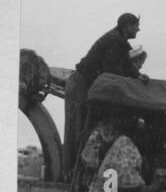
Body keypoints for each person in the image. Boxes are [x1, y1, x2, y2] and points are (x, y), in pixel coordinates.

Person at [63, 13, 147, 174]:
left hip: (88, 85)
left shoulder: (119, 42)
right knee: (78, 127)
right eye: (136, 25)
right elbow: (113, 73)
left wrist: (138, 77)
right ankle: (71, 172)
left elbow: (126, 67)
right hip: (80, 85)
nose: (139, 29)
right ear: (127, 26)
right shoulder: (114, 41)